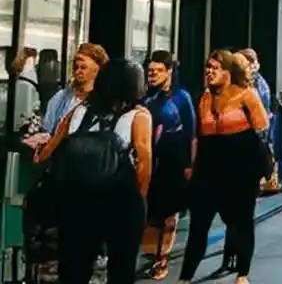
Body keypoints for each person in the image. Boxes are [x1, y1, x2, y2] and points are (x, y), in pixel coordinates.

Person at [37, 58, 152, 284]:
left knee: (74, 268)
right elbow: (144, 164)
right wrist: (141, 203)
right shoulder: (138, 116)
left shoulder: (79, 111)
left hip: (77, 201)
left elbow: (50, 151)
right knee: (121, 268)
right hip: (119, 201)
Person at [176, 50, 270, 284]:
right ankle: (184, 278)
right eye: (207, 67)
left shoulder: (246, 95)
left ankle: (242, 273)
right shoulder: (204, 98)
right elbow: (198, 136)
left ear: (228, 72)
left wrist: (263, 170)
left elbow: (261, 129)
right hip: (209, 166)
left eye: (214, 68)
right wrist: (192, 165)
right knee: (199, 224)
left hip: (240, 165)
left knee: (241, 221)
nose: (209, 72)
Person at [140, 51, 197, 280]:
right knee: (152, 212)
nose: (152, 75)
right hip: (150, 158)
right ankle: (152, 253)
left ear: (169, 72)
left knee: (170, 213)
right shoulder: (145, 96)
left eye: (157, 71)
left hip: (175, 161)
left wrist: (191, 165)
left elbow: (192, 133)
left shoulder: (181, 97)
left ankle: (162, 257)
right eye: (150, 71)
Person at [42, 43, 108, 132]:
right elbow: (47, 130)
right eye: (76, 67)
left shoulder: (106, 101)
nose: (78, 71)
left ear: (97, 70)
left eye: (83, 67)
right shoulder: (60, 98)